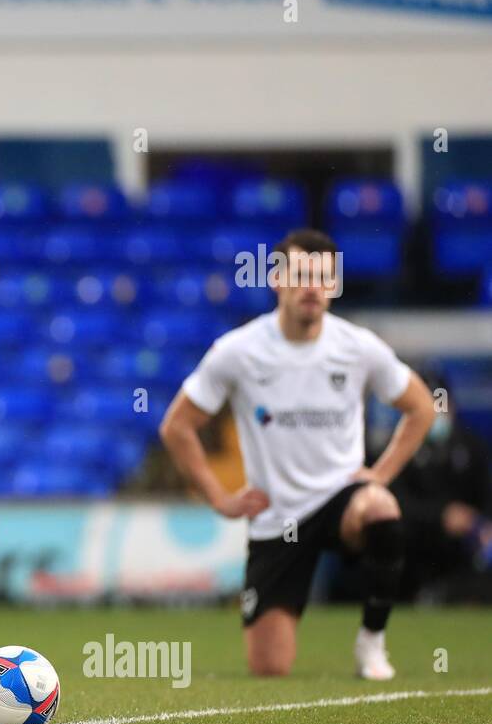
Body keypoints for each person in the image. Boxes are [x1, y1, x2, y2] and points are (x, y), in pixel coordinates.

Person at [159, 228, 435, 679]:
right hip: (277, 515)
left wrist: (379, 475)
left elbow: (422, 407)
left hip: (343, 499)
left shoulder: (358, 347)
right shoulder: (238, 351)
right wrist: (219, 497)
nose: (313, 287)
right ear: (277, 279)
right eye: (303, 274)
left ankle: (372, 642)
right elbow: (177, 426)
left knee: (381, 508)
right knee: (269, 667)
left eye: (325, 278)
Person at [387, 374, 492, 604]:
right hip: (416, 555)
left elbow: (486, 498)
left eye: (441, 404)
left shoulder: (472, 448)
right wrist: (441, 516)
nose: (437, 414)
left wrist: (479, 524)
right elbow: (396, 503)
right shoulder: (398, 449)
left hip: (465, 555)